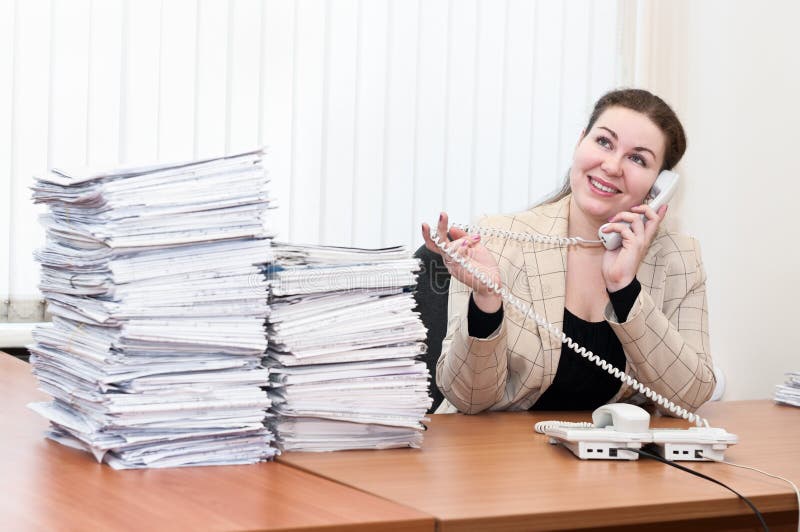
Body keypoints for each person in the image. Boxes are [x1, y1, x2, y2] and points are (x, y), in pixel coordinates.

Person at [421, 88, 715, 415]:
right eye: (604, 142)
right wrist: (487, 300)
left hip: (608, 448)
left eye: (637, 159)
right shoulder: (497, 241)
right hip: (499, 445)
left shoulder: (678, 259)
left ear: (659, 185)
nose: (612, 166)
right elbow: (468, 398)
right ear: (580, 142)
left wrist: (625, 290)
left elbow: (690, 397)